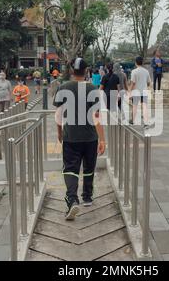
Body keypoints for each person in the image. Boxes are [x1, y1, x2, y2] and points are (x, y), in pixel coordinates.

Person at [53, 58, 106, 220]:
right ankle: (87, 197)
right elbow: (97, 117)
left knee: (70, 168)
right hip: (90, 137)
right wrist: (102, 139)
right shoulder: (93, 89)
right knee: (89, 166)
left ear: (71, 70)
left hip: (71, 137)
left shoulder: (63, 88)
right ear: (86, 70)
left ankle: (72, 199)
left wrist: (60, 132)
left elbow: (59, 114)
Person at [130, 56, 152, 128]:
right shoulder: (146, 71)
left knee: (135, 106)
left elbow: (133, 83)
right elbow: (149, 82)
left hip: (136, 92)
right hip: (144, 91)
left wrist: (130, 92)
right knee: (145, 107)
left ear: (135, 62)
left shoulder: (134, 71)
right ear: (142, 62)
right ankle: (146, 123)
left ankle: (133, 121)